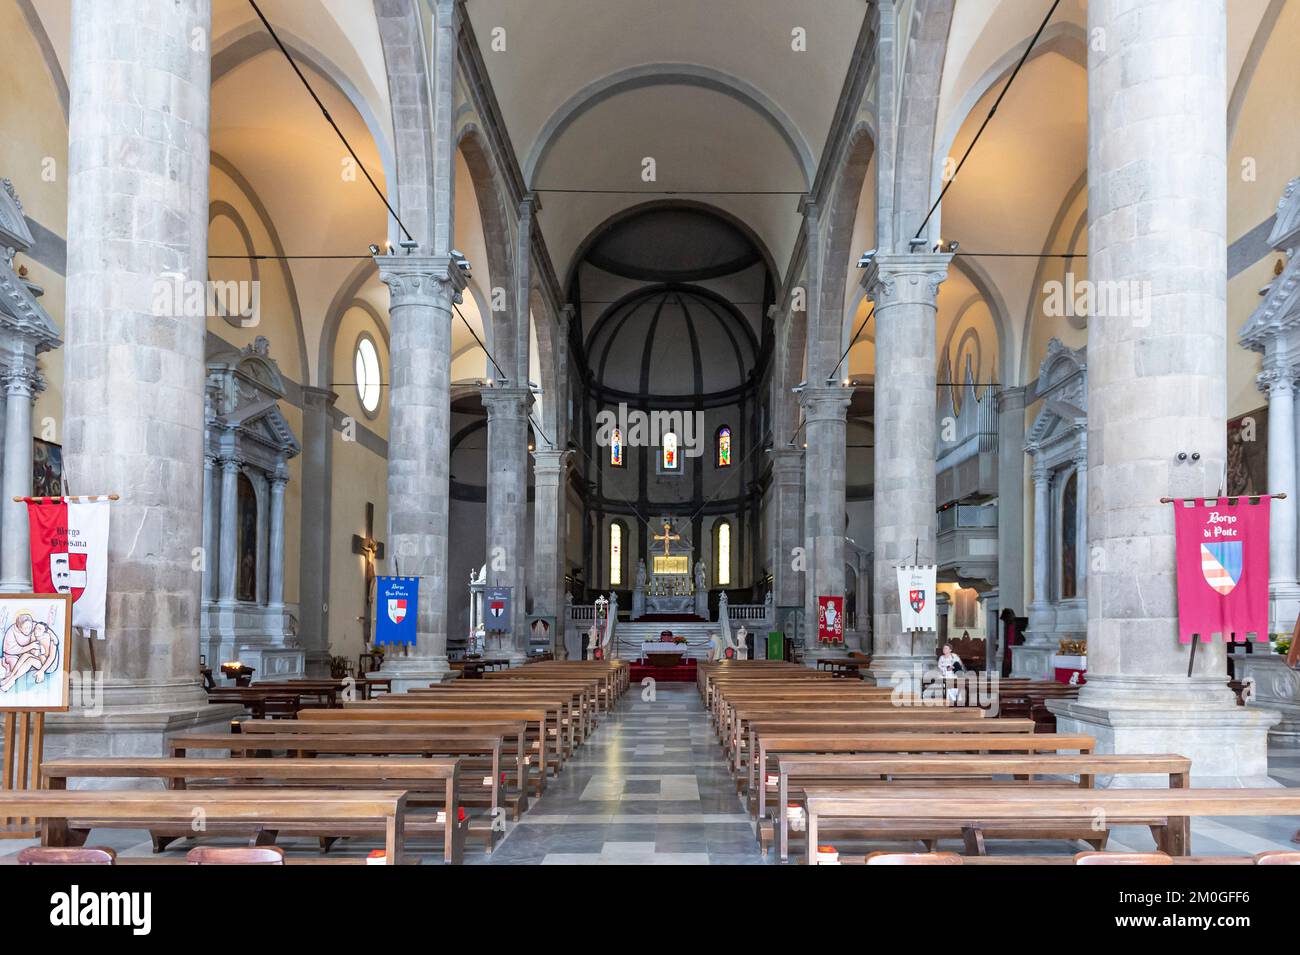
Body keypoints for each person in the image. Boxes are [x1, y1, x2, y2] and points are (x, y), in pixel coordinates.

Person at [1, 612, 60, 693]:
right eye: (35, 628)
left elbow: (51, 658)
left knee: (30, 660)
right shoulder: (34, 635)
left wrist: (42, 671)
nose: (35, 630)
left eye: (39, 629)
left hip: (49, 665)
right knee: (25, 655)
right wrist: (33, 650)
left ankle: (11, 681)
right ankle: (10, 677)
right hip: (40, 659)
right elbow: (33, 652)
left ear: (45, 631)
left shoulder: (51, 640)